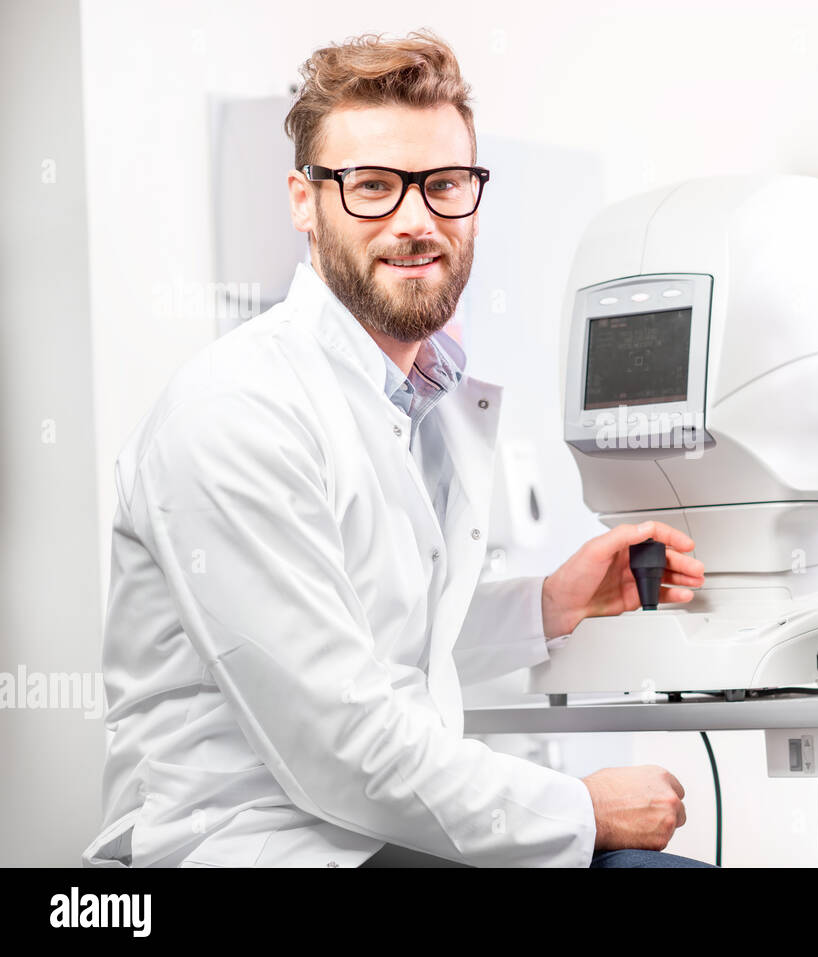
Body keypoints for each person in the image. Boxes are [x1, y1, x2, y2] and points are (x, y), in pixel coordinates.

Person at [82, 29, 709, 868]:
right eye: (373, 187)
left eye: (445, 185)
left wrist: (549, 603)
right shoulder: (237, 412)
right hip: (253, 843)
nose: (416, 221)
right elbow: (338, 742)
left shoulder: (422, 397)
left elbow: (380, 640)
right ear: (305, 202)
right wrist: (579, 807)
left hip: (368, 832)